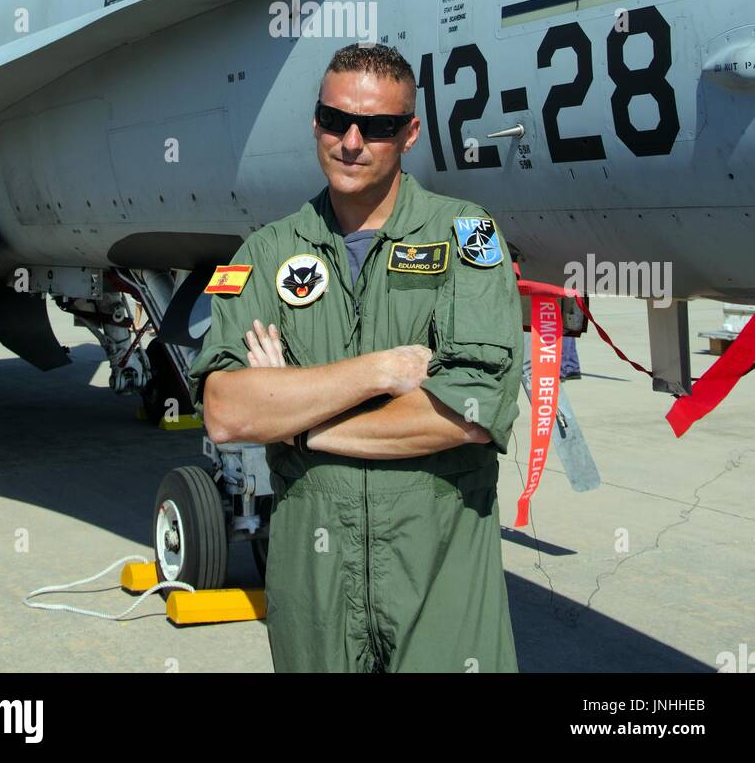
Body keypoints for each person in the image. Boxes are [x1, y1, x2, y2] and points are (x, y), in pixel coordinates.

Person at [188, 43, 524, 673]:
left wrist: (299, 421)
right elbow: (226, 413)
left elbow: (468, 412)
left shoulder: (466, 237)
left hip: (438, 581)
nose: (351, 141)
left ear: (410, 134)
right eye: (334, 119)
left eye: (378, 127)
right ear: (315, 121)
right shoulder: (258, 254)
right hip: (313, 589)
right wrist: (381, 372)